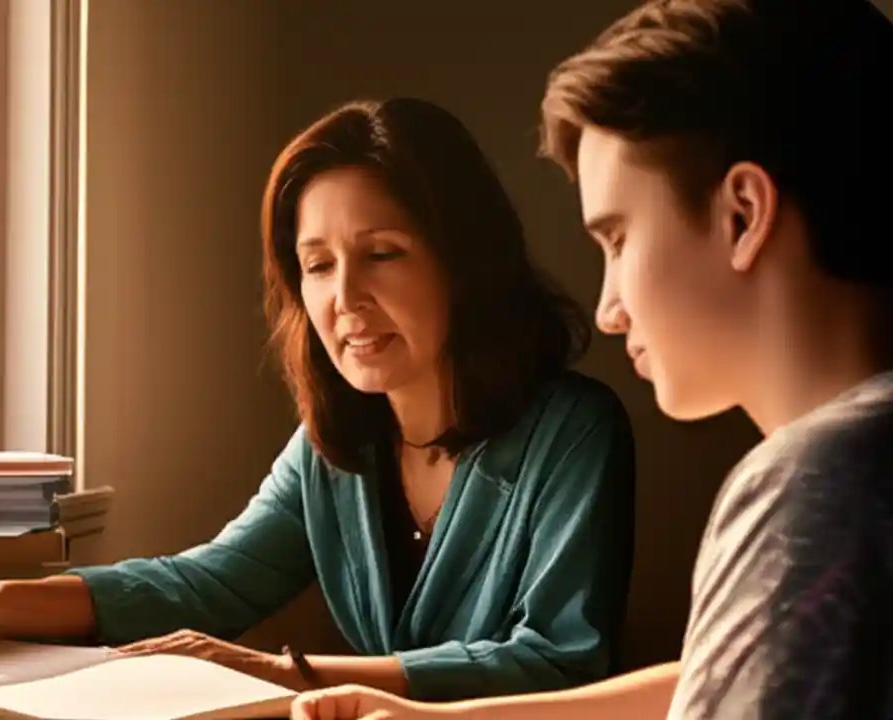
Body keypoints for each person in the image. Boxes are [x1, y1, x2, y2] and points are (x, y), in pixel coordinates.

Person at [0, 97, 636, 702]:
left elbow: (556, 662)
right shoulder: (335, 442)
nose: (346, 298)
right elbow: (205, 583)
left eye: (382, 255)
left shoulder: (573, 431)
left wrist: (284, 673)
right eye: (318, 265)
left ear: (464, 260)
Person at [290, 1, 893, 718]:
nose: (609, 309)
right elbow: (723, 670)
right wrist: (437, 717)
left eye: (617, 239)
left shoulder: (816, 485)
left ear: (742, 214)